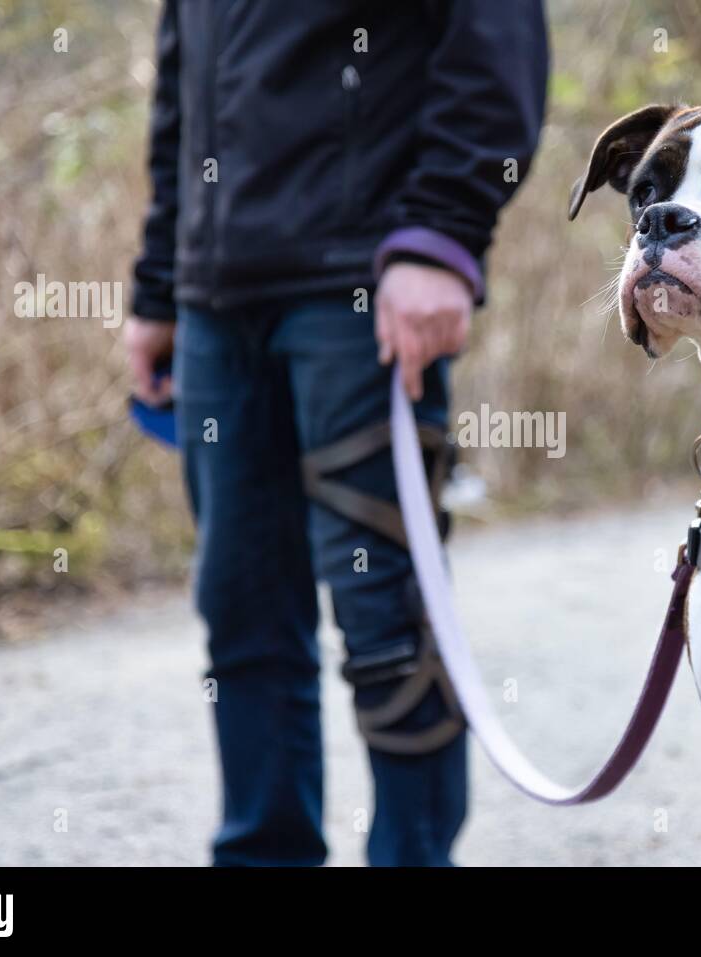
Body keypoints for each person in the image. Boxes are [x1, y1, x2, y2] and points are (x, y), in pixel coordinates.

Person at [125, 1, 548, 866]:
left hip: (360, 290)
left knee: (384, 612)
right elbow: (185, 78)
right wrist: (159, 282)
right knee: (239, 609)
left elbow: (495, 32)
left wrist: (442, 233)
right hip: (216, 302)